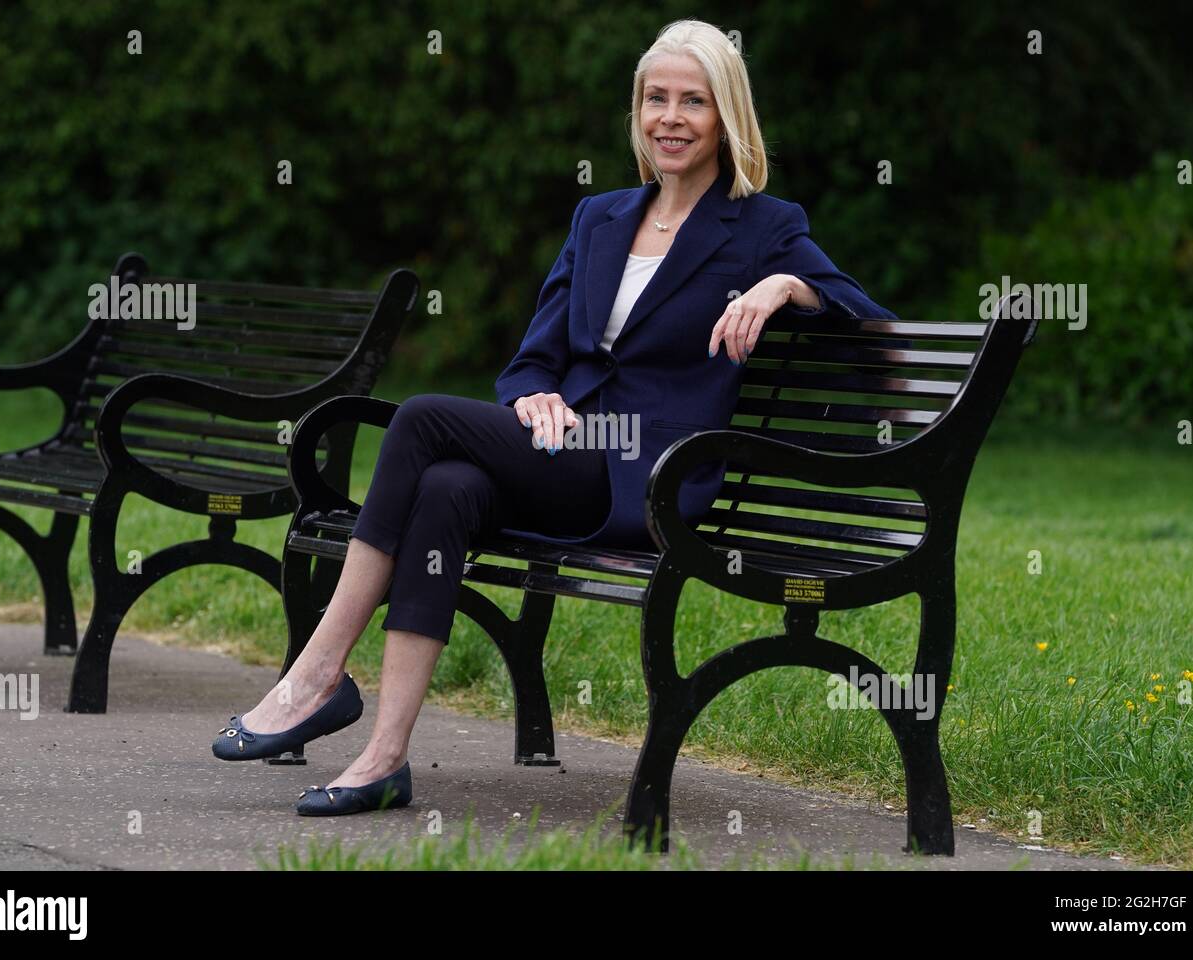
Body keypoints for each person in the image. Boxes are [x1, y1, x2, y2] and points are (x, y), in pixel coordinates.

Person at [210, 17, 896, 816]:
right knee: (449, 488)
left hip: (647, 472)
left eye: (693, 101)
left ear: (726, 117)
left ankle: (318, 671)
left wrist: (785, 288)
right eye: (654, 98)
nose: (669, 117)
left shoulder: (763, 227)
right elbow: (534, 358)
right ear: (636, 112)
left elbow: (868, 323)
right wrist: (529, 397)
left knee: (425, 419)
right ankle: (383, 757)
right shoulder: (598, 218)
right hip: (565, 452)